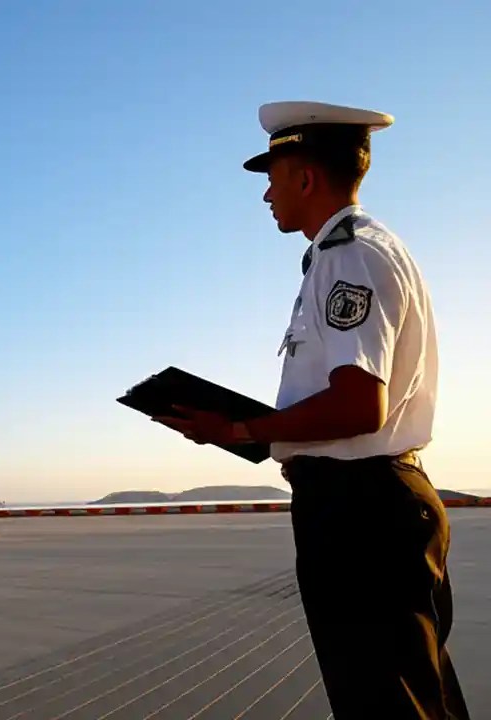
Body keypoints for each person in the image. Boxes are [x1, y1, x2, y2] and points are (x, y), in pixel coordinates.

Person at [156, 101, 469, 718]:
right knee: (415, 694)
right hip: (375, 503)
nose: (266, 194)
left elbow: (358, 404)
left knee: (382, 702)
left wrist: (239, 428)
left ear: (305, 177)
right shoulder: (362, 251)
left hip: (360, 511)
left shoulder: (348, 255)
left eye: (272, 177)